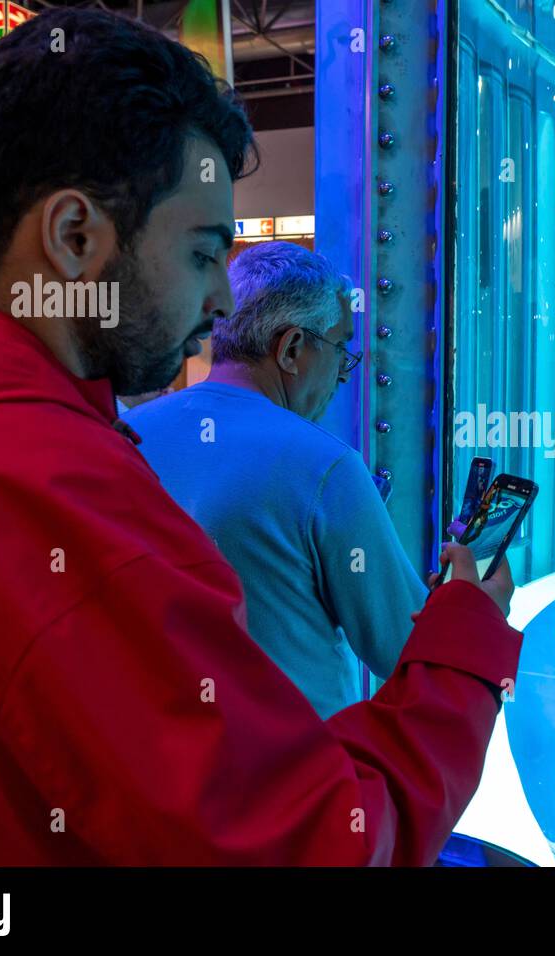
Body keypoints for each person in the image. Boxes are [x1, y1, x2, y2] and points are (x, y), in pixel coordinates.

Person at [0, 8, 520, 865]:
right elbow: (314, 844)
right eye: (206, 253)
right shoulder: (54, 497)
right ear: (74, 239)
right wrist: (467, 647)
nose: (219, 303)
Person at [124, 242, 427, 717]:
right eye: (340, 347)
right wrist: (478, 610)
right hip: (295, 777)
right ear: (290, 349)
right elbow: (410, 651)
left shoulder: (128, 438)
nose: (344, 375)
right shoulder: (327, 469)